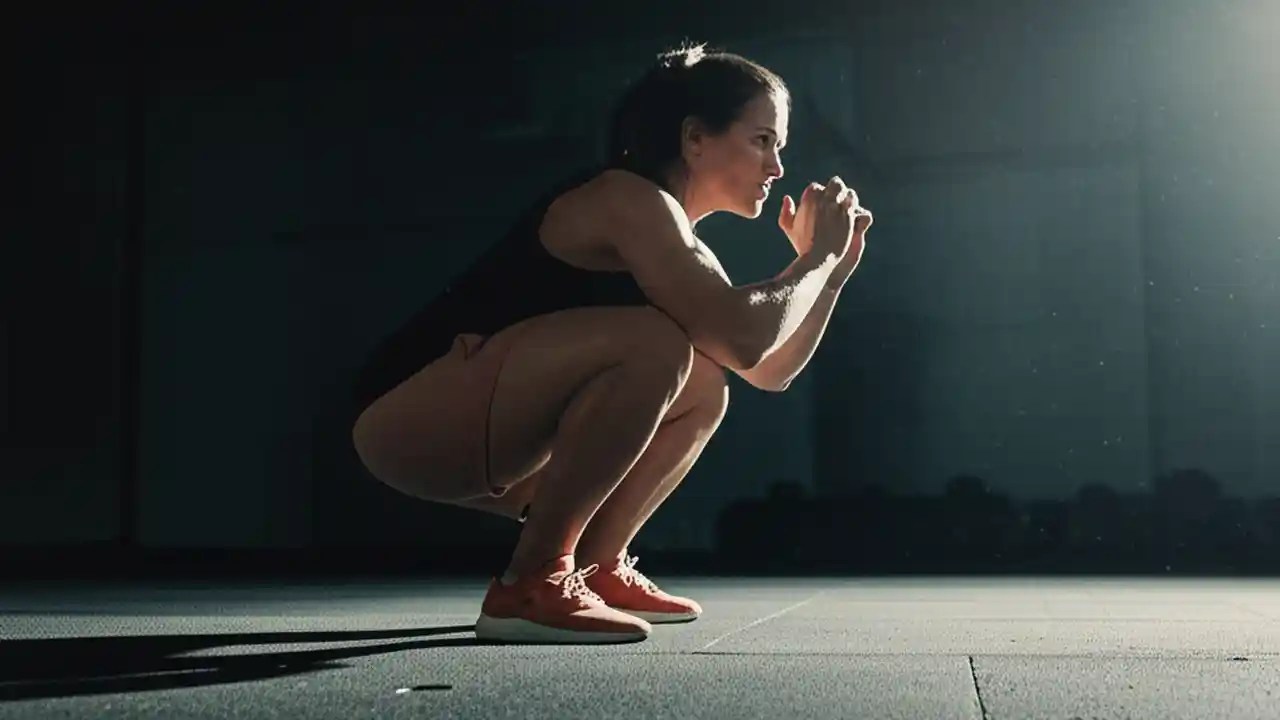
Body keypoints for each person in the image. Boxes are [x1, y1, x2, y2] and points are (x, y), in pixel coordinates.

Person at [349, 42, 872, 644]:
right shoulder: (626, 199)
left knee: (705, 383)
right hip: (405, 416)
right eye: (763, 140)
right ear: (695, 138)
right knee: (658, 346)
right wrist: (815, 256)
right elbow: (745, 333)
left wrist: (828, 273)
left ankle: (596, 567)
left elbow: (766, 369)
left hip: (486, 425)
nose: (777, 167)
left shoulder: (683, 244)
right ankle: (529, 583)